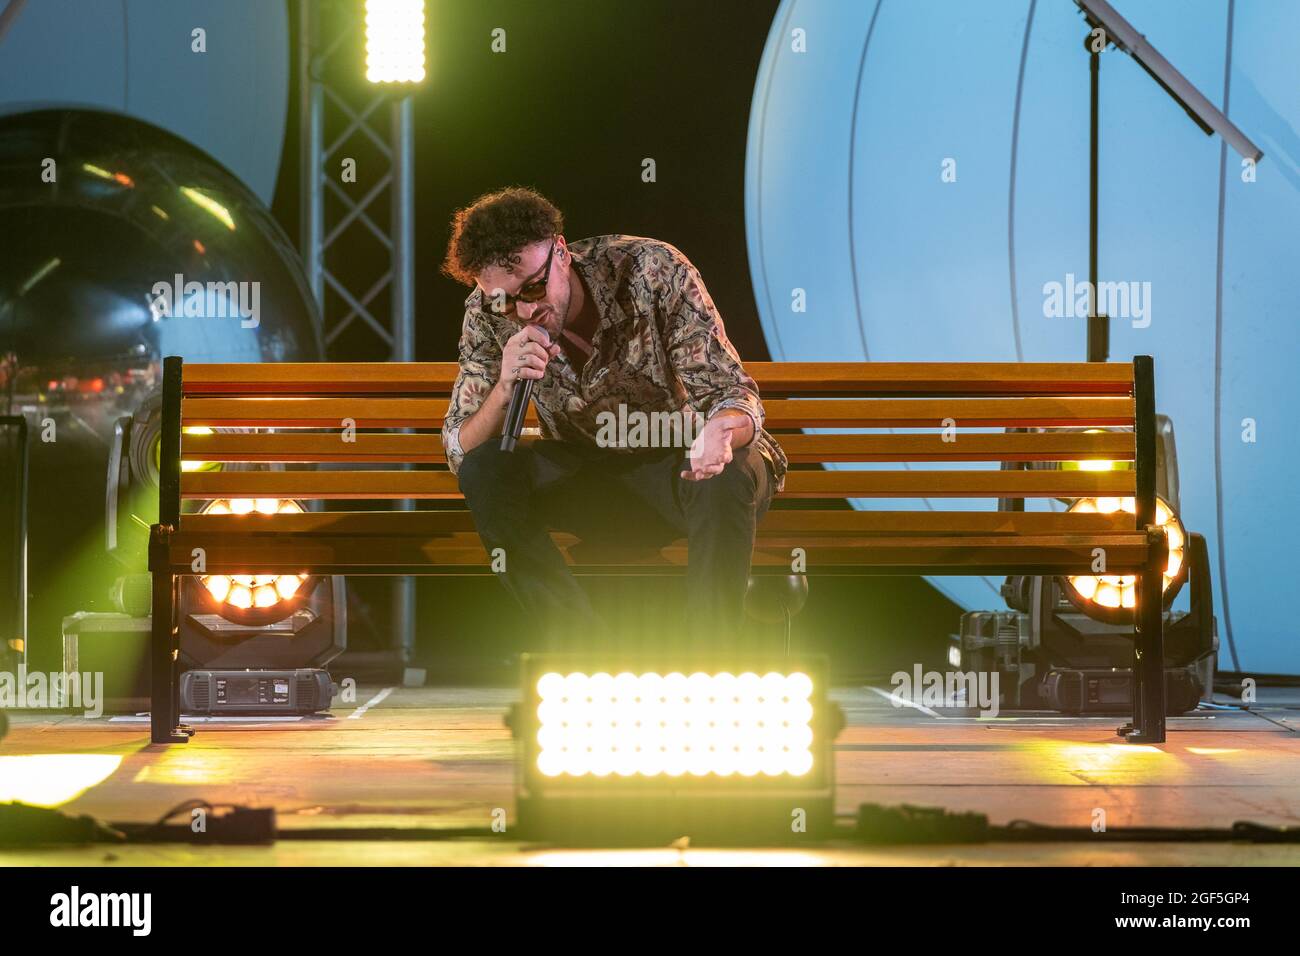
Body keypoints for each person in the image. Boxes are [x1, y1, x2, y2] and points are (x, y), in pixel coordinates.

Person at [440, 186, 787, 648]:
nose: (525, 309)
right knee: (486, 470)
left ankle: (711, 660)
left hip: (680, 470)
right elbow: (459, 448)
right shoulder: (487, 316)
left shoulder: (649, 269)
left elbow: (731, 392)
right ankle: (579, 647)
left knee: (728, 472)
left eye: (534, 287)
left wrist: (720, 433)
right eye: (505, 300)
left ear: (561, 253)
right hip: (589, 477)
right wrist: (504, 387)